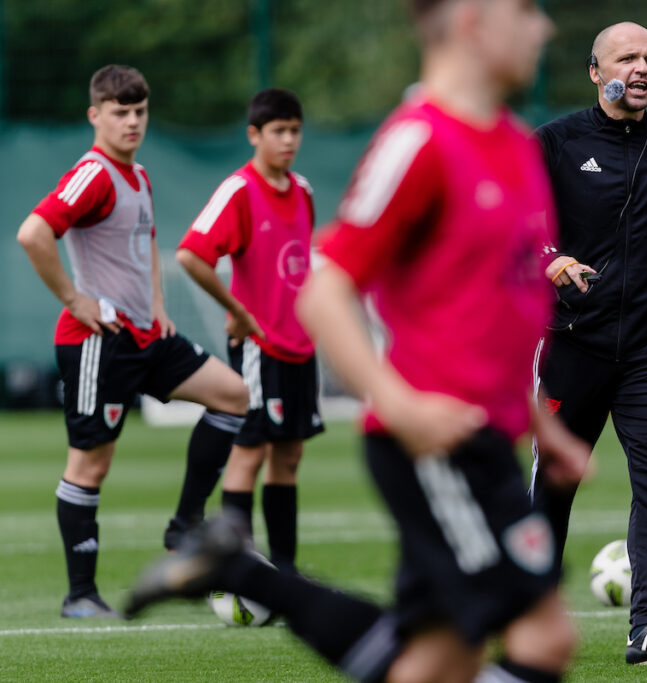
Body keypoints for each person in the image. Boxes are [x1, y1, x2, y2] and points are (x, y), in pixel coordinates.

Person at [126, 1, 589, 681]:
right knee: (544, 636)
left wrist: (543, 428)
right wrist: (400, 405)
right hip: (435, 441)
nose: (543, 26)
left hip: (489, 436)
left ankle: (239, 569)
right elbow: (325, 287)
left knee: (434, 662)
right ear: (470, 20)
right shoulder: (418, 142)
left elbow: (501, 308)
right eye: (523, 9)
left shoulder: (518, 144)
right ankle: (241, 568)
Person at [15, 64, 249, 618]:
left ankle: (185, 526)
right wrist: (75, 299)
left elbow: (144, 243)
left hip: (148, 337)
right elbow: (34, 231)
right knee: (91, 464)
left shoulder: (139, 177)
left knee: (234, 396)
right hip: (100, 340)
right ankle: (80, 596)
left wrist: (160, 307)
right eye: (120, 113)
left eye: (139, 111)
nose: (132, 122)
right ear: (95, 115)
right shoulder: (92, 174)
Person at [530, 22, 647, 665]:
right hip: (572, 346)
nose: (642, 68)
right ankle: (535, 615)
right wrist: (552, 260)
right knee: (554, 482)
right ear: (594, 70)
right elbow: (514, 228)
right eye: (627, 57)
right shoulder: (553, 143)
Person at [163, 89, 323, 575]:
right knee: (248, 455)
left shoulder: (304, 191)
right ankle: (239, 572)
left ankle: (286, 570)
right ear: (254, 134)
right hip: (261, 345)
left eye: (295, 130)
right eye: (278, 131)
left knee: (288, 457)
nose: (288, 140)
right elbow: (191, 253)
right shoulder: (239, 190)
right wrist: (235, 308)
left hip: (301, 344)